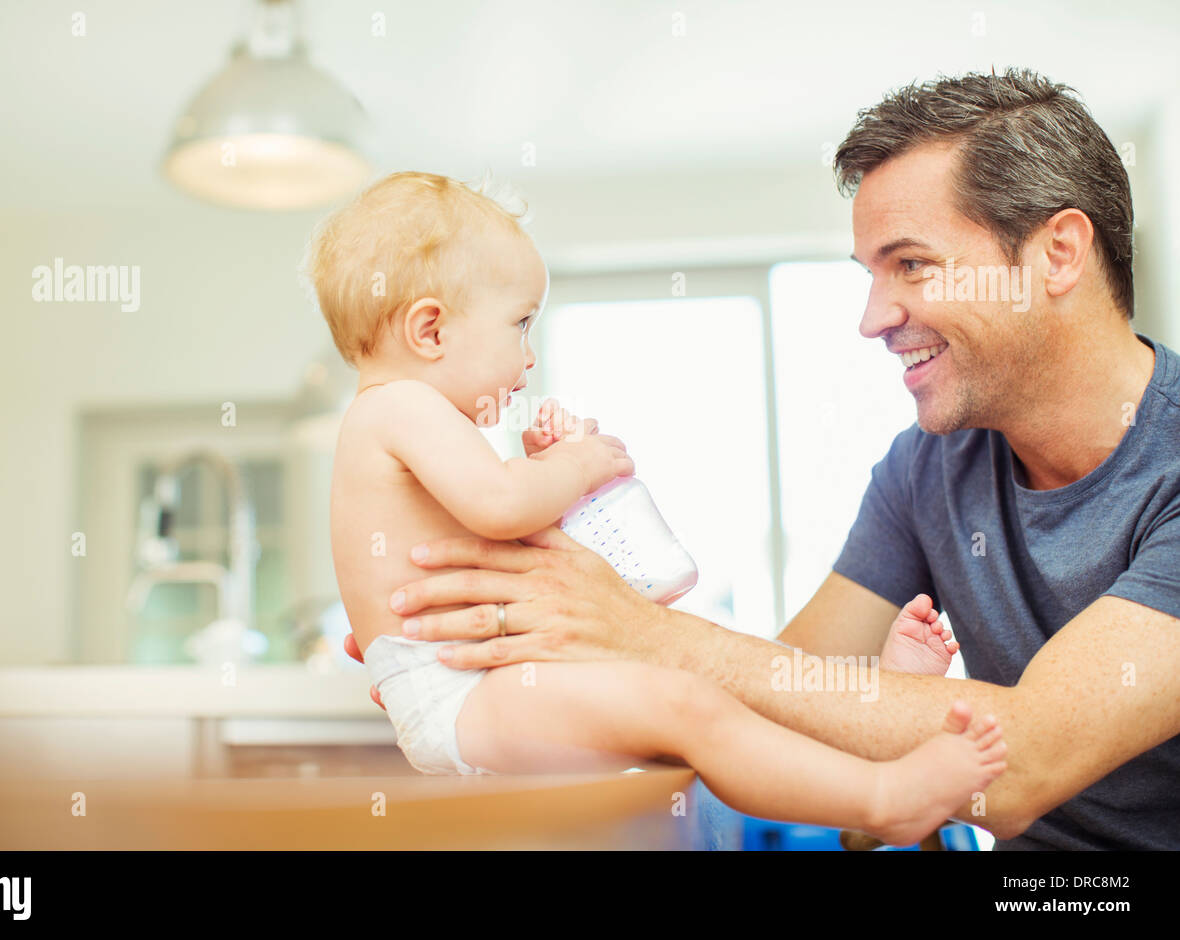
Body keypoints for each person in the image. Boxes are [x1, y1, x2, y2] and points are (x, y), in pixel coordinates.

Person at [347, 71, 1180, 851]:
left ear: (1058, 255)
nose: (873, 317)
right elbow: (785, 708)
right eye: (871, 274)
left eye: (912, 266)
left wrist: (643, 633)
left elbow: (1024, 762)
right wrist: (501, 628)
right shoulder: (930, 469)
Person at [308, 169, 1006, 846]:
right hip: (462, 700)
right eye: (520, 324)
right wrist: (572, 465)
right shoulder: (401, 407)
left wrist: (550, 482)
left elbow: (523, 554)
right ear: (430, 331)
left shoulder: (409, 418)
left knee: (690, 704)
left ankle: (881, 730)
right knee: (686, 707)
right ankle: (884, 798)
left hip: (479, 685)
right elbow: (499, 507)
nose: (526, 359)